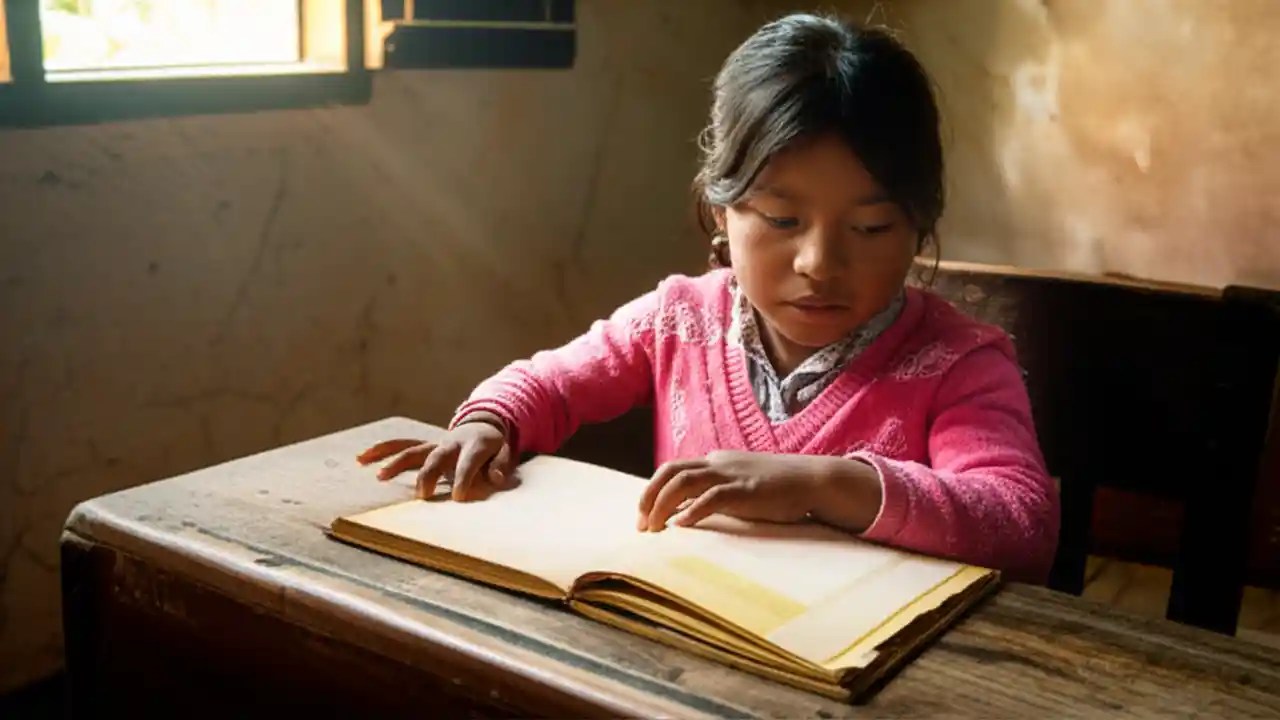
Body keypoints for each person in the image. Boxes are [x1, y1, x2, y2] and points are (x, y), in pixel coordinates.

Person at [357, 13, 1060, 583]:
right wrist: (490, 424)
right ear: (722, 212)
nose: (820, 263)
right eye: (782, 220)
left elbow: (1021, 523)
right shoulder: (680, 320)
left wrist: (826, 484)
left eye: (871, 227)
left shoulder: (957, 364)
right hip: (689, 651)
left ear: (919, 224)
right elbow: (549, 382)